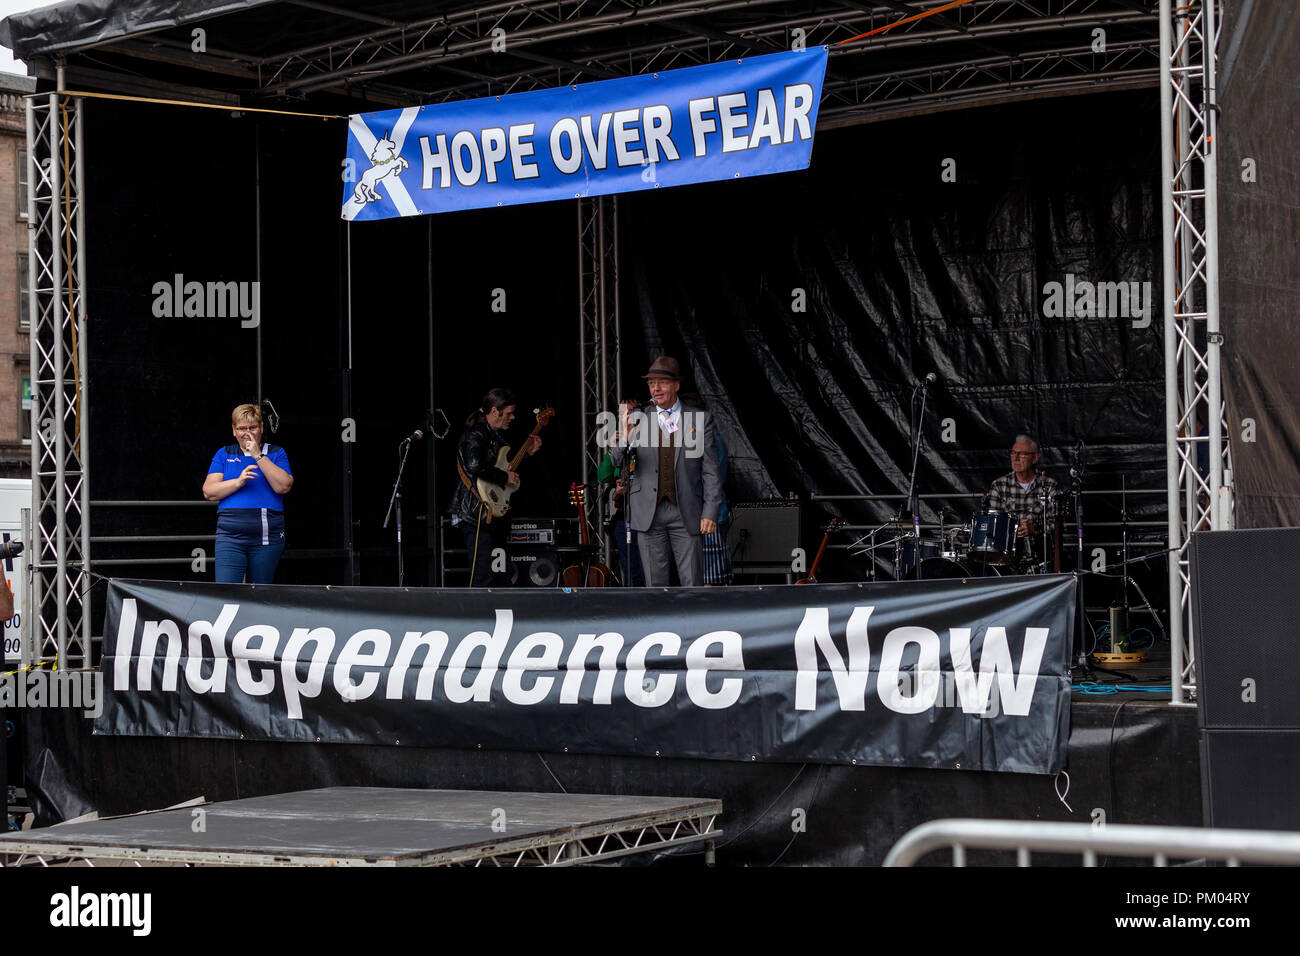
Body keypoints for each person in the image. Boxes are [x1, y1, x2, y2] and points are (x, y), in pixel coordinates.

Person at [609, 357, 721, 587]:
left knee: (693, 583)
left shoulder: (699, 419)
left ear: (676, 385)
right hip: (648, 512)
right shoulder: (639, 418)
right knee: (655, 586)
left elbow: (711, 470)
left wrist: (710, 511)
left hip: (686, 510)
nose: (656, 388)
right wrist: (626, 433)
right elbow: (615, 461)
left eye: (662, 382)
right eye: (652, 383)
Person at [449, 388, 541, 587]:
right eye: (509, 413)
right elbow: (475, 465)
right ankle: (478, 607)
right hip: (476, 511)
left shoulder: (496, 437)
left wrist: (526, 455)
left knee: (501, 573)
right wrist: (504, 476)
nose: (512, 417)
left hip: (492, 511)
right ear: (494, 411)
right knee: (482, 574)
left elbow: (503, 469)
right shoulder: (475, 434)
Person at [203, 403, 294, 584]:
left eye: (252, 428)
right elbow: (209, 492)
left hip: (266, 538)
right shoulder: (224, 453)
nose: (247, 433)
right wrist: (237, 482)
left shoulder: (276, 452)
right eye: (241, 428)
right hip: (230, 538)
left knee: (258, 593)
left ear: (261, 428)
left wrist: (258, 455)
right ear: (234, 430)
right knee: (226, 591)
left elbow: (283, 486)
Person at [987, 433, 1059, 539]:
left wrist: (1035, 529)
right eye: (1013, 453)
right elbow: (992, 522)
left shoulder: (1049, 486)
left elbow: (1057, 524)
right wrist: (1013, 529)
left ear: (1035, 458)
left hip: (1040, 546)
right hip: (1008, 546)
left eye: (1022, 454)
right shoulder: (999, 486)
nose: (1016, 458)